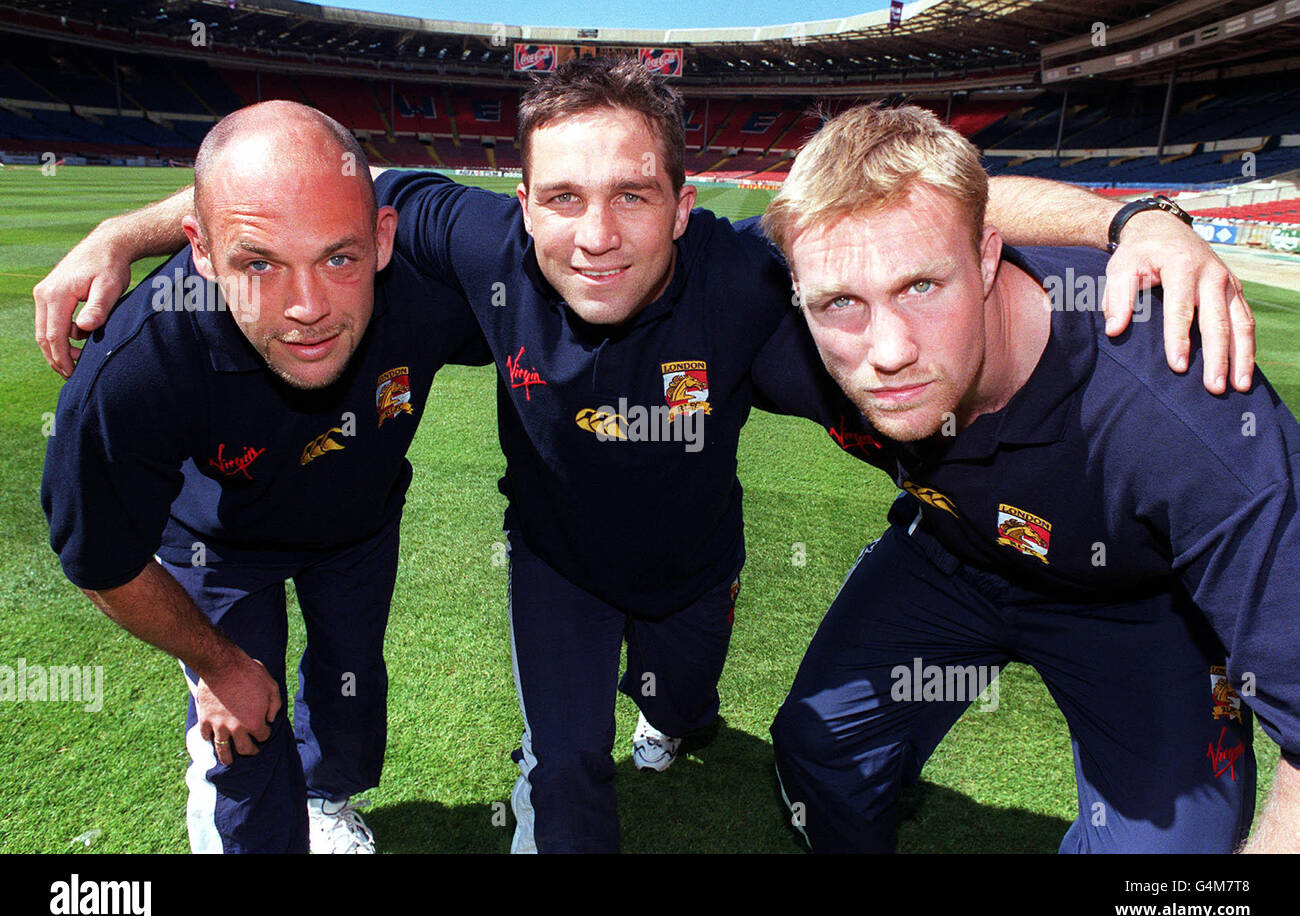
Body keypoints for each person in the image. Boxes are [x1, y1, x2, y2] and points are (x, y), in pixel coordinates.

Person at [34, 58, 1256, 853]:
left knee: (681, 714)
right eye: (559, 197)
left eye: (631, 195)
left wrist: (1137, 216)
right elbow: (289, 201)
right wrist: (126, 228)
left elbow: (932, 217)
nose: (595, 232)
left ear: (686, 204)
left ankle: (670, 706)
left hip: (690, 565)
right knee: (564, 784)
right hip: (543, 562)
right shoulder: (460, 244)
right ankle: (500, 787)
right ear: (516, 204)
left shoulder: (760, 287)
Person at [757, 102, 1300, 852]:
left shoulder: (1184, 415)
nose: (886, 350)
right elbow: (629, 257)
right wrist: (1131, 216)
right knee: (821, 750)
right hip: (948, 556)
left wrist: (1140, 218)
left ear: (986, 259)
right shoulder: (785, 325)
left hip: (1140, 608)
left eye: (922, 287)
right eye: (840, 302)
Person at [40, 101, 488, 853]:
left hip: (358, 527)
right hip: (218, 545)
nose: (307, 309)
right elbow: (101, 558)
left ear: (382, 240)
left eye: (339, 258)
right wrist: (214, 664)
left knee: (350, 683)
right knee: (240, 725)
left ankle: (327, 797)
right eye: (258, 264)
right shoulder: (137, 365)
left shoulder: (432, 285)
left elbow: (586, 277)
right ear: (204, 253)